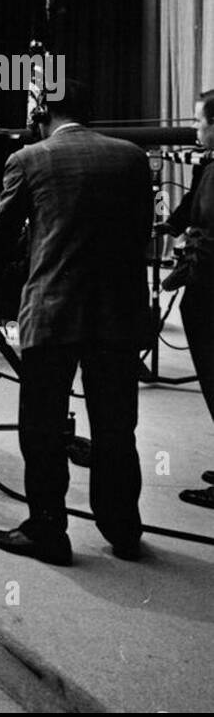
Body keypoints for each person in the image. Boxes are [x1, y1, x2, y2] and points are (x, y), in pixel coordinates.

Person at [0, 79, 151, 564]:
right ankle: (122, 529)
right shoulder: (132, 157)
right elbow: (140, 239)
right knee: (116, 426)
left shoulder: (29, 159)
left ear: (42, 113)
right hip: (117, 315)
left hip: (53, 313)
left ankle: (47, 531)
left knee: (42, 428)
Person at [158, 89, 214, 509]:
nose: (195, 128)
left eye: (199, 122)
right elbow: (190, 209)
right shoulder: (209, 164)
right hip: (200, 284)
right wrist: (163, 228)